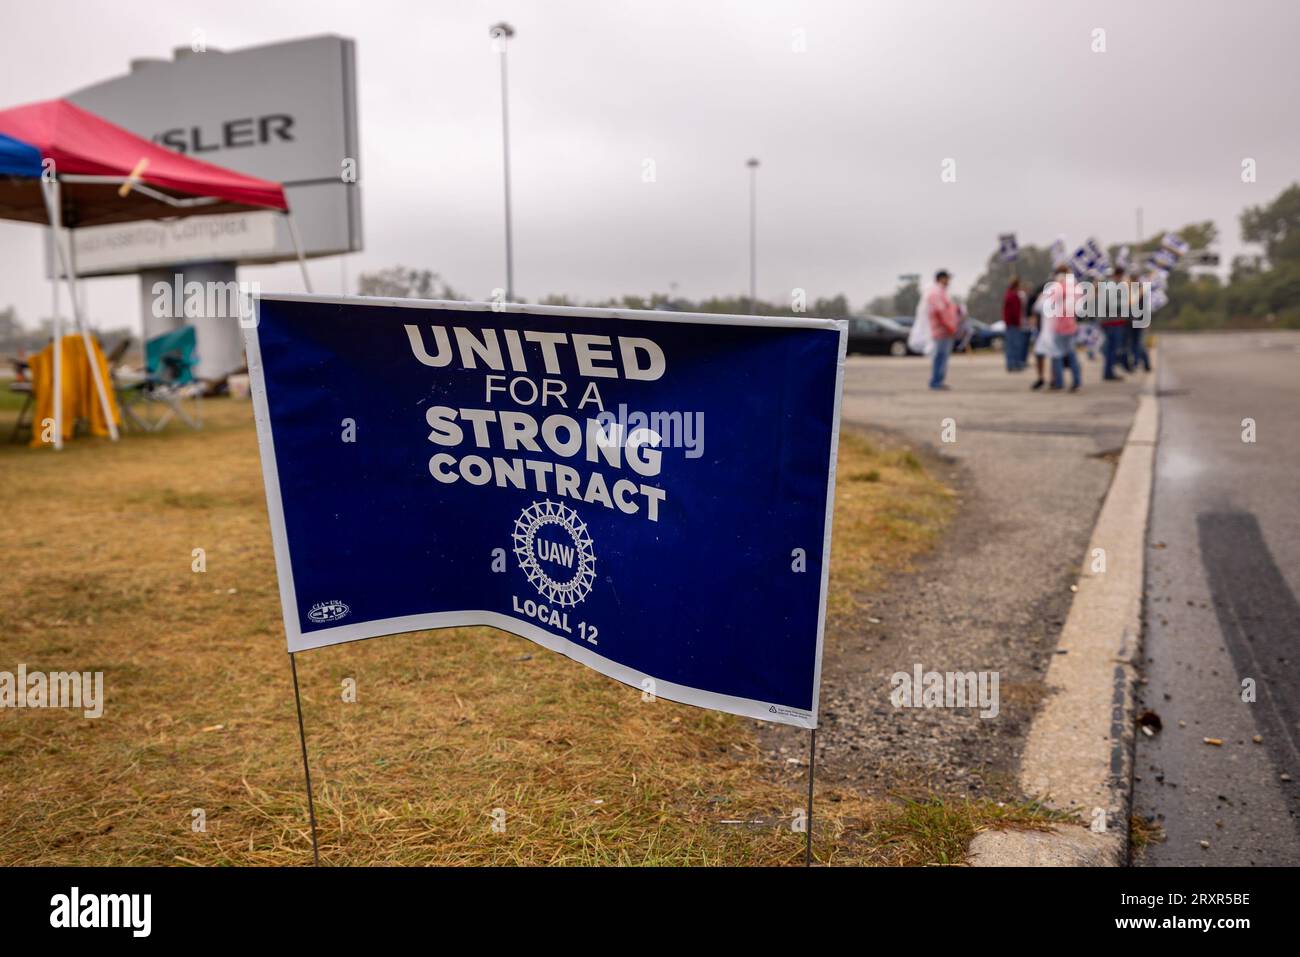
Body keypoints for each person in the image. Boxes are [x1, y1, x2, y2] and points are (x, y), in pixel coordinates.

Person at [1045, 263, 1082, 391]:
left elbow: (1050, 302)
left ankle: (1059, 382)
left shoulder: (1058, 286)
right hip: (1071, 325)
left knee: (1057, 355)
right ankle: (1076, 380)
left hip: (1058, 325)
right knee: (1071, 354)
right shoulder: (1075, 286)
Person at [925, 269, 960, 390]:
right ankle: (936, 381)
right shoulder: (936, 292)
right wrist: (949, 326)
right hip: (942, 330)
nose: (949, 281)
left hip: (946, 329)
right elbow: (939, 312)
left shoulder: (942, 292)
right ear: (941, 278)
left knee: (942, 357)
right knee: (940, 356)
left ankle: (938, 380)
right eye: (947, 278)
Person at [1101, 267, 1129, 380]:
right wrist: (1125, 303)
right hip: (1112, 322)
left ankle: (1109, 371)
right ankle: (1109, 373)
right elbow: (1110, 304)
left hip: (1111, 321)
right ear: (1119, 275)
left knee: (1111, 349)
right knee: (1112, 349)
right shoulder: (1112, 286)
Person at [1029, 279, 1055, 390]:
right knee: (1042, 354)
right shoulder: (1045, 294)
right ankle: (1047, 378)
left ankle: (1051, 379)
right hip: (1046, 330)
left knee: (1053, 356)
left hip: (1054, 331)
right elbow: (1035, 309)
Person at [1125, 276, 1151, 372]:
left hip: (1138, 320)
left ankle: (1138, 363)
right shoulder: (1129, 290)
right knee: (1135, 343)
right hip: (1131, 321)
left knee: (1137, 344)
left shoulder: (1139, 292)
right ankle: (1143, 363)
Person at [1002, 277, 1026, 371]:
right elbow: (1015, 312)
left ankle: (1010, 364)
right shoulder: (1014, 296)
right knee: (1015, 345)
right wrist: (1018, 322)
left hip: (1009, 323)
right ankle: (1015, 364)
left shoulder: (1008, 295)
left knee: (1010, 345)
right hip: (1014, 323)